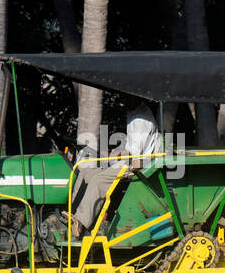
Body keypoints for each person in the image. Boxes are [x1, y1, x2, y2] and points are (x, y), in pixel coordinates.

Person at [68, 100, 162, 235]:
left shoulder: (141, 120)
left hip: (137, 166)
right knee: (86, 173)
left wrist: (110, 157)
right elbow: (129, 149)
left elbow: (133, 155)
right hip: (129, 161)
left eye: (124, 95)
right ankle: (74, 213)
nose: (121, 98)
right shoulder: (134, 114)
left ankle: (80, 223)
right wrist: (106, 154)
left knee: (98, 181)